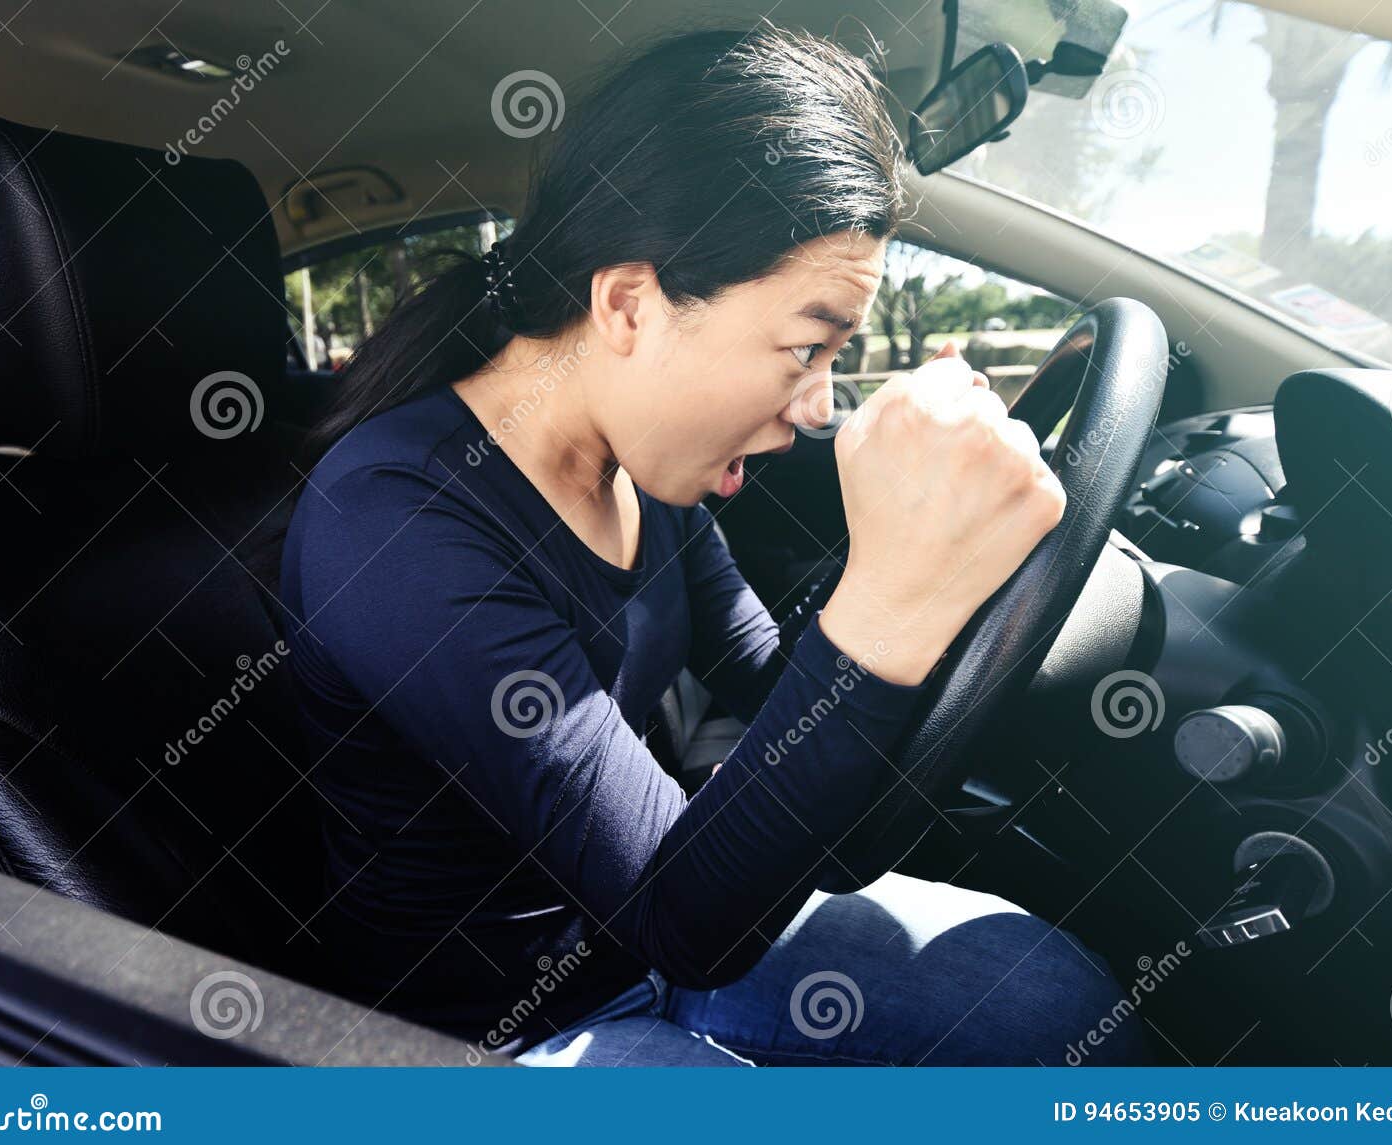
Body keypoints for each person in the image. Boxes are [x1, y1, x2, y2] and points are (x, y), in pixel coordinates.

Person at [279, 23, 1145, 1067]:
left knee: (1049, 995)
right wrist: (890, 602)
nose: (819, 408)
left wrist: (949, 555)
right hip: (482, 1032)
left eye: (837, 354)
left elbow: (773, 685)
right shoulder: (397, 518)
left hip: (650, 941)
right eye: (802, 346)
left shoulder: (650, 477)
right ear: (631, 304)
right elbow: (684, 920)